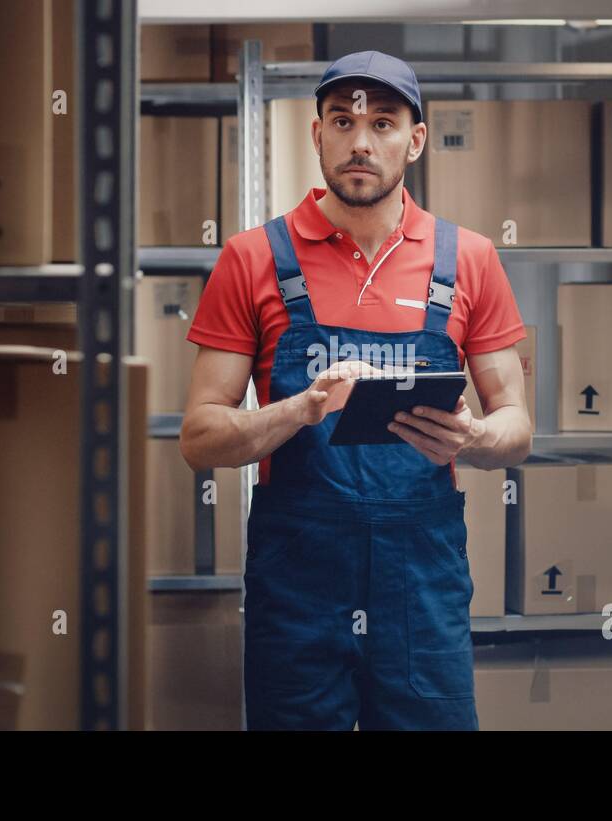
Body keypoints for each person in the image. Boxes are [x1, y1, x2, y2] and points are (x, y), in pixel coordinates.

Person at [179, 50, 532, 730]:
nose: (361, 142)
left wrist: (473, 436)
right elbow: (199, 438)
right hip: (301, 579)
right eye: (342, 121)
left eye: (383, 123)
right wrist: (299, 409)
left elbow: (516, 428)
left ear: (416, 140)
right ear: (318, 134)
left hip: (420, 581)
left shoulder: (470, 259)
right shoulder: (252, 258)